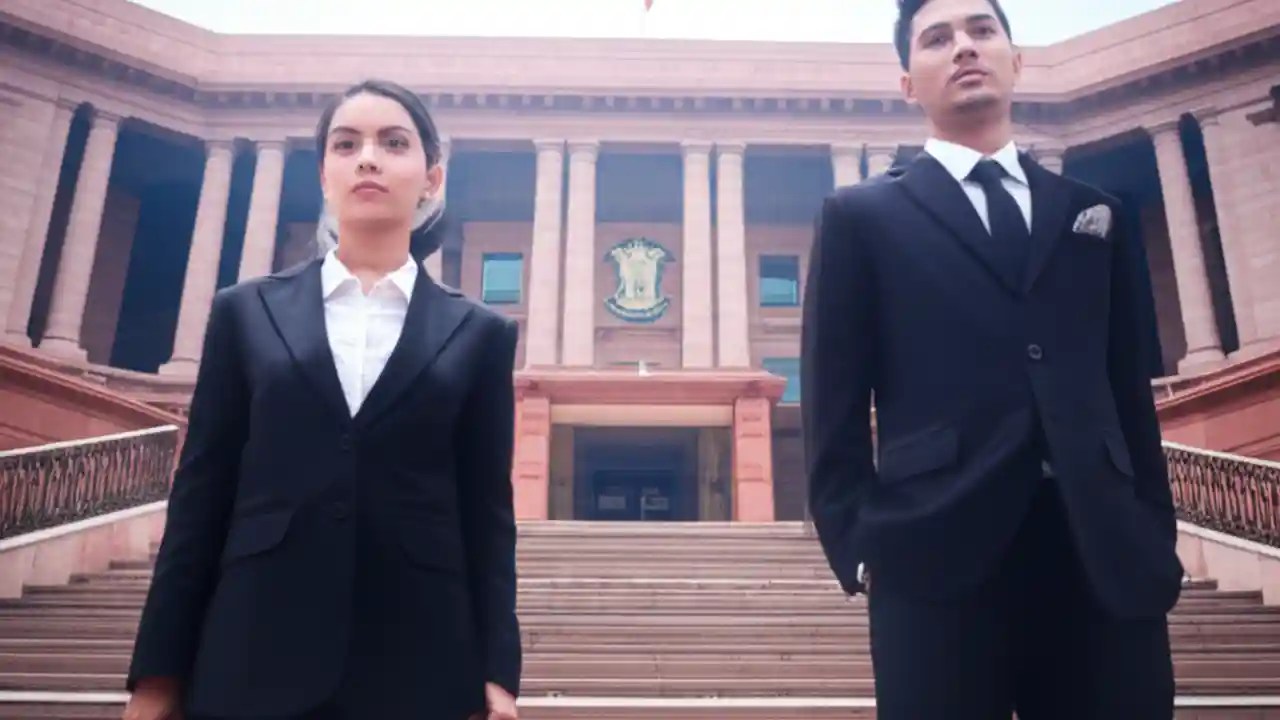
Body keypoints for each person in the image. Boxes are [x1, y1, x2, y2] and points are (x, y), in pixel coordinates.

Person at [799, 0, 1182, 717]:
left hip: (1100, 556)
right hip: (934, 558)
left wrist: (1151, 533)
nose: (965, 48)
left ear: (1016, 58)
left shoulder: (1093, 212)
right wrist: (860, 544)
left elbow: (1129, 393)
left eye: (982, 30)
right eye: (937, 39)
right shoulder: (860, 219)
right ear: (909, 82)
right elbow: (833, 405)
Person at [123, 79, 522, 720]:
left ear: (432, 179)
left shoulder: (480, 334)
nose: (369, 157)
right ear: (325, 174)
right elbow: (200, 501)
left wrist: (498, 671)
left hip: (420, 665)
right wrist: (158, 677)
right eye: (347, 144)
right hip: (251, 657)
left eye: (394, 143)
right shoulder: (244, 312)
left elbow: (486, 515)